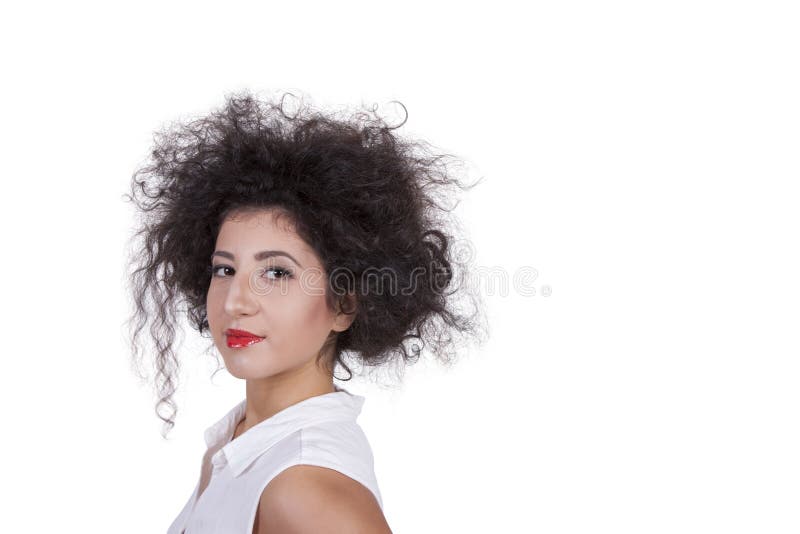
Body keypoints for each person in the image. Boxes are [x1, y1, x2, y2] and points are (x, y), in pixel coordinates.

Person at [122, 90, 487, 533]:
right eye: (224, 269)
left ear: (345, 303)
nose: (236, 301)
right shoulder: (238, 443)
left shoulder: (304, 488)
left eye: (276, 273)